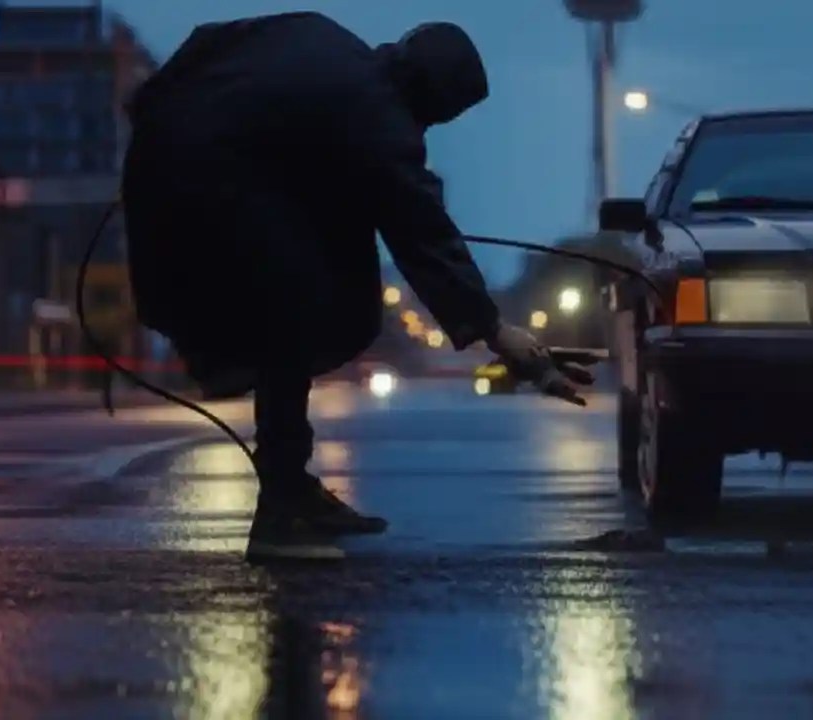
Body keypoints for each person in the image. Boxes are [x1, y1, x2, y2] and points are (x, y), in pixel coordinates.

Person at [121, 12, 593, 561]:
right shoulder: (376, 114)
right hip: (206, 209)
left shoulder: (324, 40)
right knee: (313, 303)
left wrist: (153, 122)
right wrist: (495, 330)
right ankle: (281, 510)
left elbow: (207, 40)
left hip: (161, 181)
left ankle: (291, 485)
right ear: (431, 99)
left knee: (313, 272)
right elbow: (419, 225)